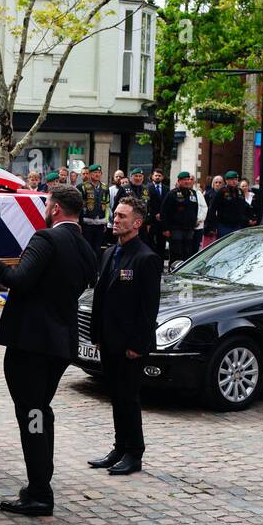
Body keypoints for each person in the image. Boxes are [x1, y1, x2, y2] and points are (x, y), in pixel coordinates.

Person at [0, 184, 97, 517]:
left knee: (32, 414)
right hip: (59, 345)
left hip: (31, 345)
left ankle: (39, 491)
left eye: (47, 204)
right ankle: (39, 482)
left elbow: (19, 280)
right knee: (39, 411)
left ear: (56, 209)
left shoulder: (47, 238)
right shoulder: (87, 248)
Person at [87, 196, 162, 476]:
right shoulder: (108, 254)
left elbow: (147, 308)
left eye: (122, 217)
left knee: (129, 397)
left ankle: (134, 452)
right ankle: (119, 446)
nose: (115, 220)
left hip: (130, 345)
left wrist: (137, 344)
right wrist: (96, 333)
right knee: (115, 396)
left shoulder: (146, 258)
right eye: (115, 215)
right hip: (108, 340)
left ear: (137, 223)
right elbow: (100, 298)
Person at [161, 171, 201, 261]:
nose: (187, 181)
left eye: (188, 179)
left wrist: (194, 221)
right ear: (179, 181)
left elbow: (195, 209)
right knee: (176, 252)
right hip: (176, 229)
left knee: (187, 252)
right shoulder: (172, 194)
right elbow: (164, 211)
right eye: (184, 180)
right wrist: (165, 228)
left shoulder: (193, 193)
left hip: (189, 228)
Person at [207, 170, 249, 238]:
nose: (234, 181)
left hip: (237, 225)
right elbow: (212, 209)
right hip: (224, 225)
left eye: (236, 179)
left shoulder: (240, 191)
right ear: (226, 180)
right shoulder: (221, 191)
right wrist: (213, 226)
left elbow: (243, 207)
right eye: (232, 179)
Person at [80, 164, 110, 252]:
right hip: (86, 223)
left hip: (100, 223)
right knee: (86, 248)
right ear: (89, 174)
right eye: (95, 172)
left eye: (99, 172)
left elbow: (107, 205)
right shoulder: (82, 187)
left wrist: (106, 221)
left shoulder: (105, 187)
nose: (97, 174)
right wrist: (79, 222)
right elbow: (78, 206)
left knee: (97, 248)